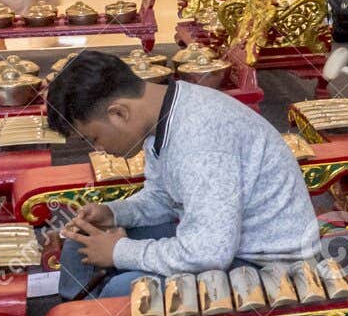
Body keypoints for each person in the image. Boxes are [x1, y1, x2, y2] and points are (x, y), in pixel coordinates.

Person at [46, 50, 319, 299]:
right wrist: (115, 213)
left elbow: (208, 254)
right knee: (80, 246)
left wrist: (119, 252)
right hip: (227, 240)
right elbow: (165, 198)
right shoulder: (167, 106)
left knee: (125, 293)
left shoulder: (199, 141)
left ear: (118, 112)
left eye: (94, 137)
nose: (99, 149)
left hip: (271, 266)